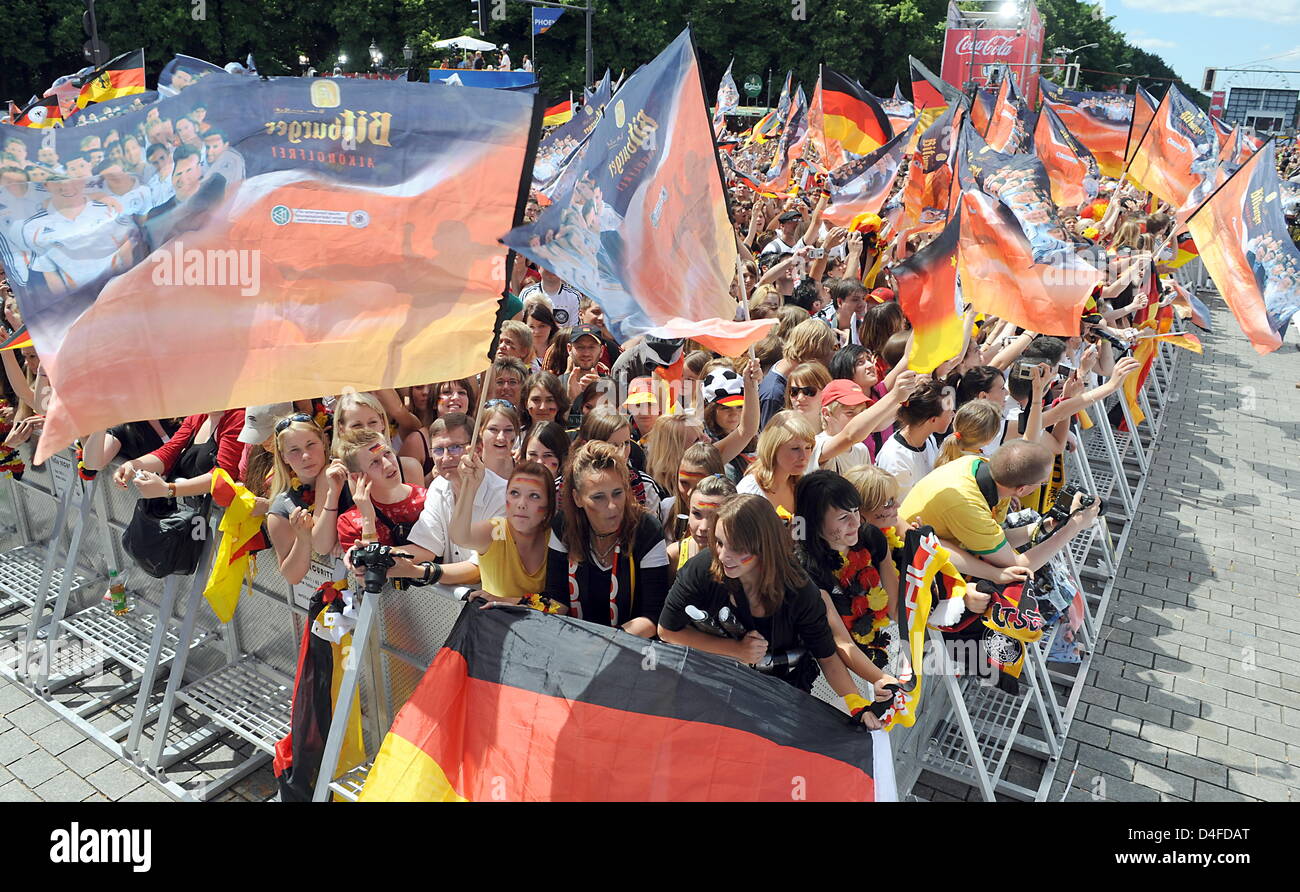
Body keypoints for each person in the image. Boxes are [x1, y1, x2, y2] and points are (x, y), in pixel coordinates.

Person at [658, 495, 883, 725]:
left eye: (737, 547)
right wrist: (735, 649)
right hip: (713, 686)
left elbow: (827, 657)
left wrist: (858, 706)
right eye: (719, 542)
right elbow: (667, 631)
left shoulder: (799, 590)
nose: (724, 556)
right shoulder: (702, 568)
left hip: (781, 696)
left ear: (763, 546)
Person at [898, 439, 1099, 582]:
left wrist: (1046, 526)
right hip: (906, 562)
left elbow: (994, 540)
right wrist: (1074, 527)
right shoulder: (968, 504)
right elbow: (1019, 566)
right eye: (1041, 483)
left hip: (940, 544)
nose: (1041, 486)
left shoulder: (975, 465)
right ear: (1022, 489)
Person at [793, 471, 901, 701]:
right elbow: (839, 639)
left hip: (874, 646)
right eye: (843, 518)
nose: (856, 522)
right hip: (826, 668)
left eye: (856, 511)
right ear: (814, 520)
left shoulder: (871, 537)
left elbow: (894, 606)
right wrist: (880, 678)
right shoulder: (805, 566)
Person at [543, 441, 669, 637]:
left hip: (629, 647)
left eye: (618, 493)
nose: (612, 506)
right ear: (577, 498)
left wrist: (604, 644)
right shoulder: (563, 526)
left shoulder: (648, 530)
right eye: (598, 497)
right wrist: (512, 604)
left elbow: (652, 617)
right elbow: (557, 600)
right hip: (574, 643)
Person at [449, 453, 554, 604]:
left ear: (548, 506)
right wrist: (470, 485)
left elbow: (557, 605)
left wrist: (503, 600)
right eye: (514, 493)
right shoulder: (497, 530)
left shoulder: (555, 537)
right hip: (495, 626)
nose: (521, 504)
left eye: (534, 496)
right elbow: (459, 536)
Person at [265, 413, 350, 585]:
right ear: (284, 457)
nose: (305, 456)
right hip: (330, 594)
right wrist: (303, 538)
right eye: (294, 450)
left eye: (311, 444)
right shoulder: (282, 508)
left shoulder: (346, 472)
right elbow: (291, 576)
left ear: (324, 443)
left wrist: (346, 537)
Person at [334, 430, 426, 553]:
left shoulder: (429, 500)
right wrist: (368, 519)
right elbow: (367, 569)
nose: (388, 464)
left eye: (387, 453)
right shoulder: (350, 523)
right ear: (357, 477)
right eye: (375, 462)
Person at [873, 381, 954, 500]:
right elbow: (900, 509)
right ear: (932, 420)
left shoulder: (929, 438)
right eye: (949, 411)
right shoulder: (896, 458)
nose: (953, 414)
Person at [737, 410, 816, 517]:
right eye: (795, 448)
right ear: (773, 448)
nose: (804, 456)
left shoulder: (802, 487)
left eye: (808, 447)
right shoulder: (749, 490)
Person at [665, 473, 736, 579]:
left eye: (714, 517)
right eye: (697, 514)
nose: (703, 527)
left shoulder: (740, 560)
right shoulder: (674, 555)